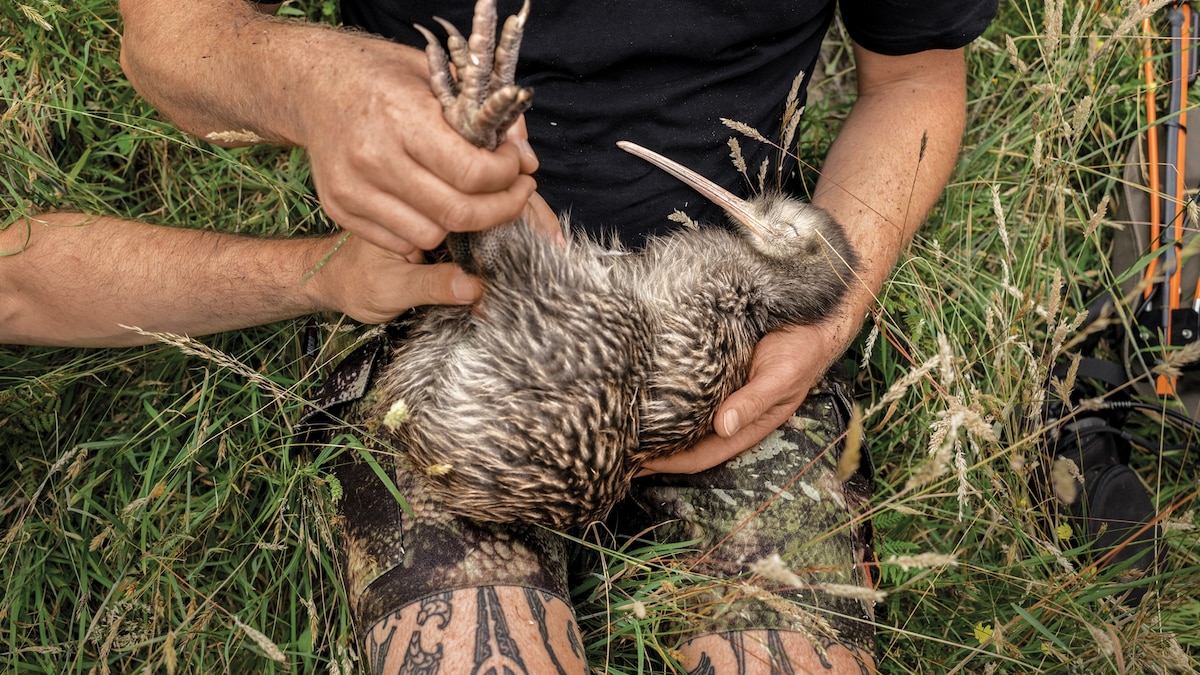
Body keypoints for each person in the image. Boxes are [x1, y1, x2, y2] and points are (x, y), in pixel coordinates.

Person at [7, 0, 996, 671]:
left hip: (732, 338)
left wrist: (826, 310)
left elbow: (912, 79)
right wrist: (321, 85)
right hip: (440, 303)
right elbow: (177, 37)